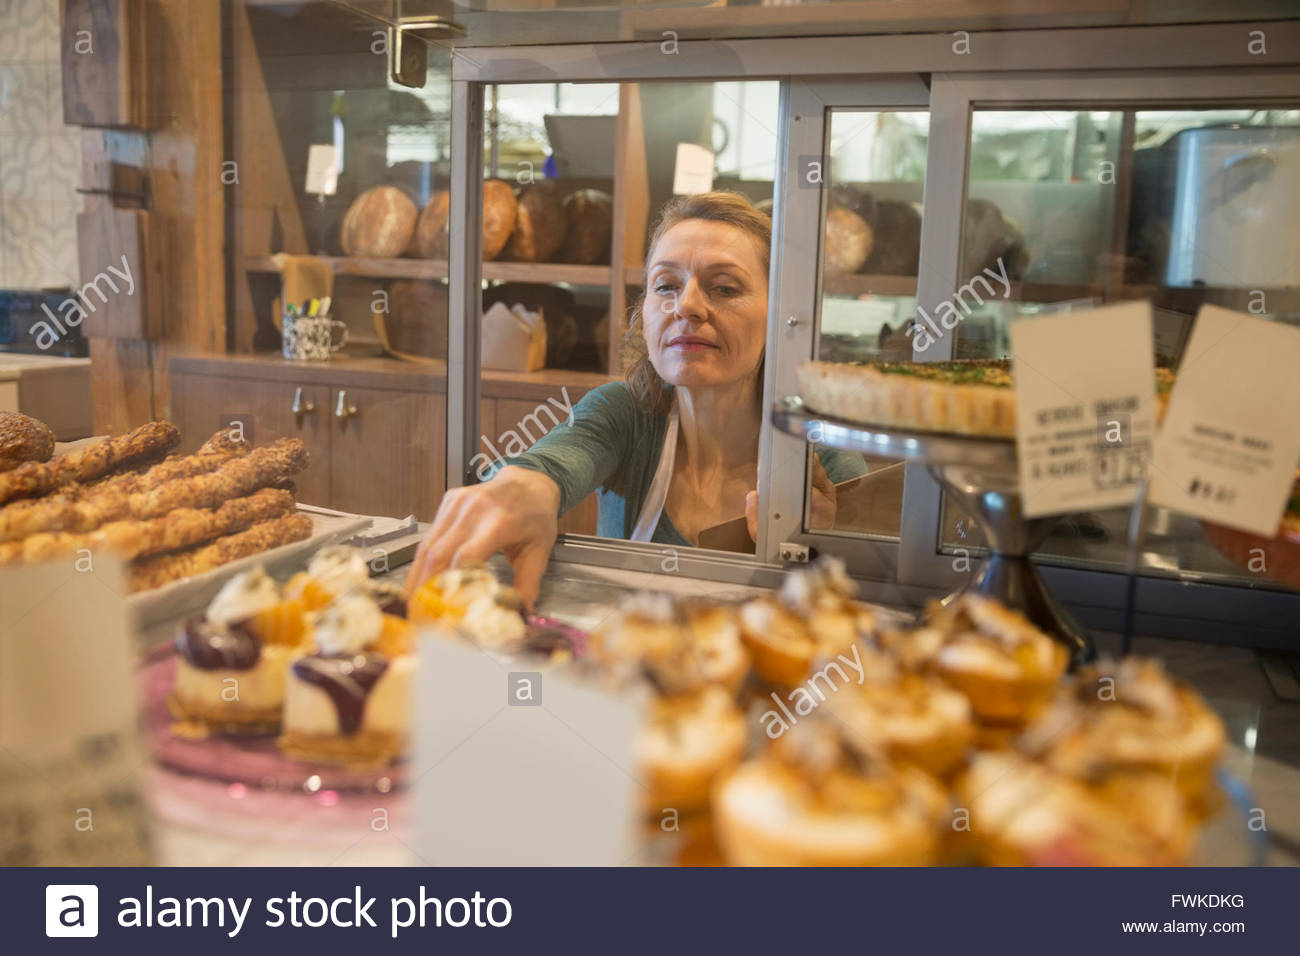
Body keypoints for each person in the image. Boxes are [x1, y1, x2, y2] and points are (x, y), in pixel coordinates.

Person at [406, 191, 866, 606]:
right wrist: (518, 487)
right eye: (665, 285)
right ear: (643, 310)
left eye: (724, 288)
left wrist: (823, 551)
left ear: (783, 318)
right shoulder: (624, 414)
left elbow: (871, 616)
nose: (685, 305)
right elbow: (555, 461)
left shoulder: (822, 457)